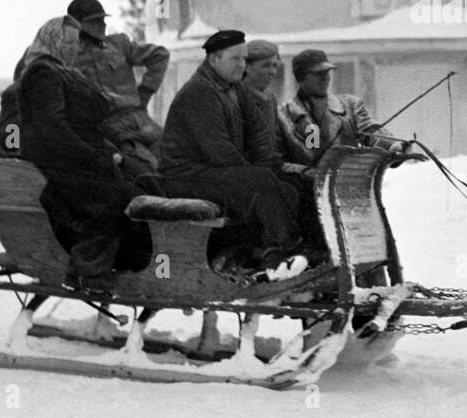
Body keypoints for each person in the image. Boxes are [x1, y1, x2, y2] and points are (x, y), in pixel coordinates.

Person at [158, 30, 308, 283]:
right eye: (236, 59)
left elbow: (258, 134)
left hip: (212, 173)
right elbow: (218, 151)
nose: (242, 65)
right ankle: (282, 256)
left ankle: (275, 254)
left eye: (244, 59)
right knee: (261, 181)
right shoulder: (199, 92)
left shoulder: (235, 88)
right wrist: (256, 174)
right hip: (185, 176)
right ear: (214, 59)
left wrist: (272, 167)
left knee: (288, 186)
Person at [14, 15, 151, 290]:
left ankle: (130, 260)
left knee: (140, 185)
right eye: (68, 41)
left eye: (76, 42)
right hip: (59, 162)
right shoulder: (42, 71)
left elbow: (87, 123)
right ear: (52, 39)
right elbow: (53, 128)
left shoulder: (63, 70)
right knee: (112, 198)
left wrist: (112, 149)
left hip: (79, 157)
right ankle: (86, 269)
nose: (73, 48)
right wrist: (92, 156)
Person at [238, 40, 330, 266]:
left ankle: (321, 253)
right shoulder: (236, 97)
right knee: (296, 191)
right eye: (266, 66)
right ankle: (293, 254)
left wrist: (302, 169)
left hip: (272, 167)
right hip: (247, 172)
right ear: (247, 67)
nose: (272, 72)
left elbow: (275, 151)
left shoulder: (269, 99)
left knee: (314, 184)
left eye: (275, 66)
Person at [66, 0, 169, 177]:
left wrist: (145, 94)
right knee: (148, 170)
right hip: (110, 127)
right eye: (95, 21)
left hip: (139, 117)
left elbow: (160, 55)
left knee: (172, 160)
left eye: (103, 19)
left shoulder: (118, 44)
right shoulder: (67, 58)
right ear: (77, 25)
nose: (103, 25)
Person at [282, 49, 401, 163]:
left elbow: (371, 131)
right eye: (318, 73)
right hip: (302, 183)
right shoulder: (284, 115)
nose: (326, 77)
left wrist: (393, 146)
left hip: (347, 181)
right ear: (301, 77)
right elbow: (279, 162)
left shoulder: (350, 105)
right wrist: (309, 173)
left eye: (327, 72)